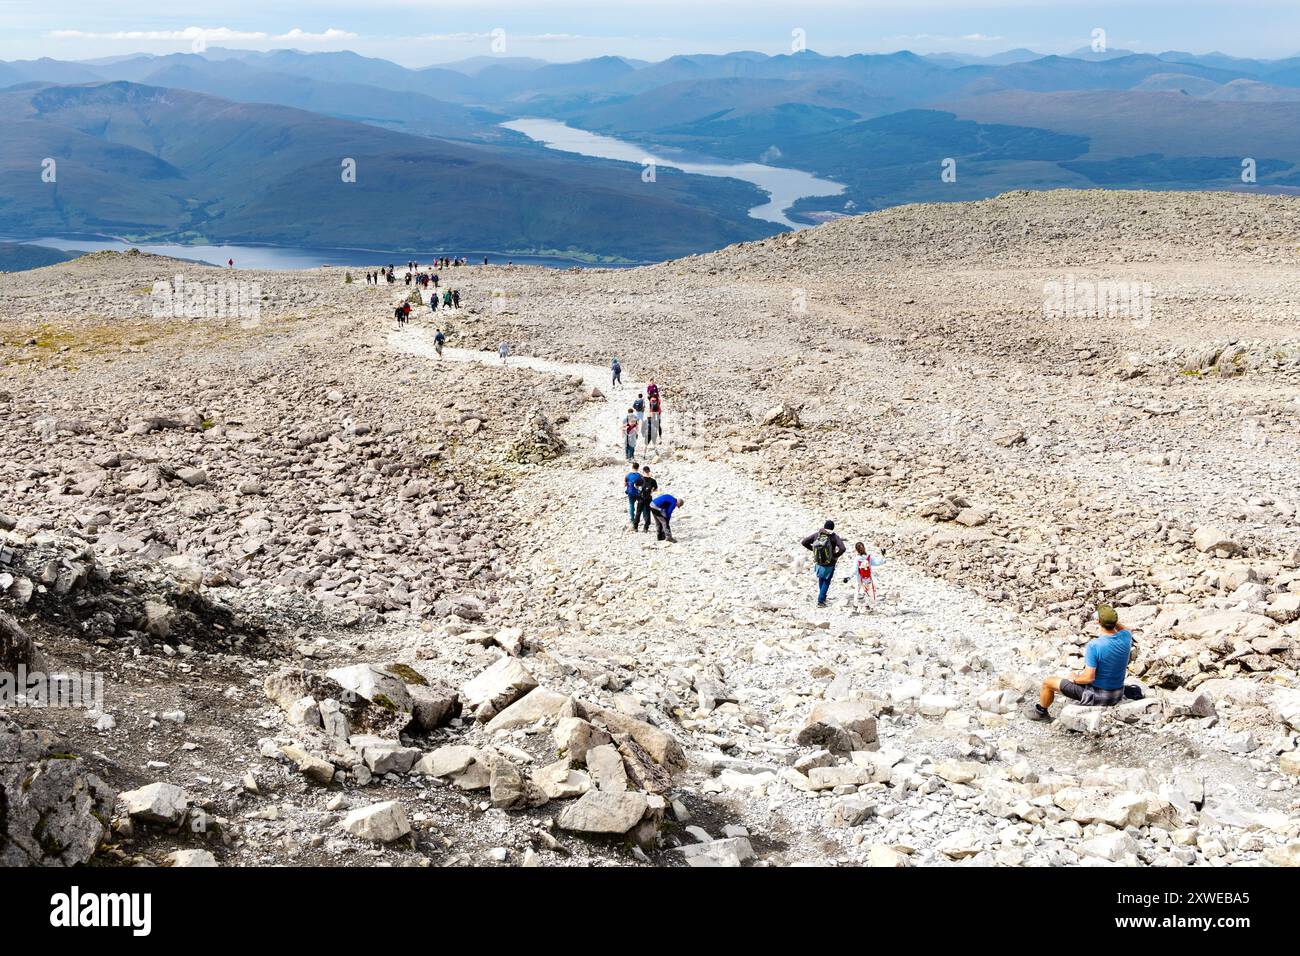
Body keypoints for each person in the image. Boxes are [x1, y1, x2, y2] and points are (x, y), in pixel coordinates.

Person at [1028, 605, 1134, 721]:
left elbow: (1089, 678)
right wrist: (1110, 619)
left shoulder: (1095, 645)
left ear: (1098, 621)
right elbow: (1125, 629)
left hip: (1099, 696)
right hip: (1118, 693)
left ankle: (1041, 712)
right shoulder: (1126, 636)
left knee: (1048, 682)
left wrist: (1075, 678)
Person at [801, 520, 847, 608]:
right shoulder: (834, 536)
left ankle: (822, 596)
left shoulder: (817, 534)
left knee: (821, 578)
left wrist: (813, 550)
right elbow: (843, 548)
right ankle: (821, 601)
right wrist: (835, 555)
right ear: (833, 528)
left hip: (819, 561)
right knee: (827, 580)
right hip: (830, 562)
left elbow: (804, 542)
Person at [847, 543, 886, 612]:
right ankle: (867, 605)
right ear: (864, 548)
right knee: (867, 591)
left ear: (856, 550)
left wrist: (848, 577)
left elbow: (855, 570)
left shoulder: (857, 559)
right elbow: (878, 563)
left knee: (857, 591)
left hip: (860, 578)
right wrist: (883, 556)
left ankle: (855, 606)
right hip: (867, 577)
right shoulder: (869, 557)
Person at [633, 465, 657, 532]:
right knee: (647, 513)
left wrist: (638, 489)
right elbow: (656, 488)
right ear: (649, 471)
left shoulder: (639, 479)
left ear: (643, 471)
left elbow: (635, 485)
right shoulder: (653, 480)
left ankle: (635, 527)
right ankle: (645, 528)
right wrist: (651, 491)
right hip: (648, 498)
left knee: (638, 512)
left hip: (640, 498)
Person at [623, 461, 641, 529]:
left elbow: (624, 485)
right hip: (638, 493)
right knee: (640, 507)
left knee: (631, 505)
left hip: (630, 492)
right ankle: (638, 519)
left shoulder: (627, 475)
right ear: (638, 468)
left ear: (632, 467)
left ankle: (632, 520)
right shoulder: (640, 475)